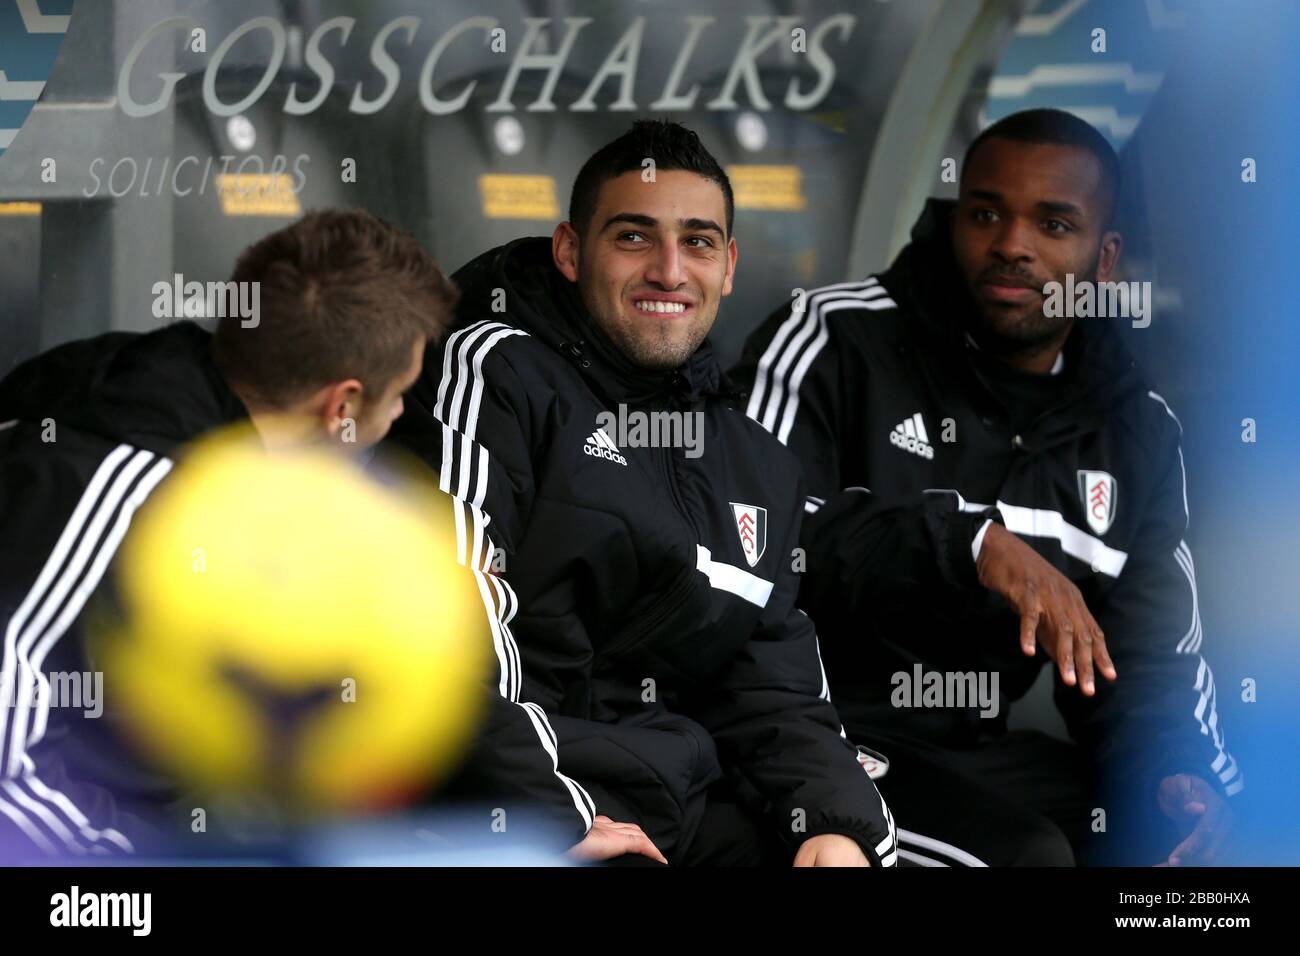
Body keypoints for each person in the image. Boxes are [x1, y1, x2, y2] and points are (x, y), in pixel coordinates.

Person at [0, 209, 635, 863]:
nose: (397, 422)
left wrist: (552, 818)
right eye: (399, 401)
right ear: (342, 408)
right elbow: (9, 765)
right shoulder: (114, 475)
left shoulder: (244, 447)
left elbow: (386, 661)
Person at [734, 108, 1240, 866]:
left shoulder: (1133, 430)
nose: (1011, 246)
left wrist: (1177, 773)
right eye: (985, 214)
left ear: (1104, 262)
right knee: (1030, 857)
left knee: (1189, 848)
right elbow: (744, 541)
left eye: (1054, 224)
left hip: (970, 748)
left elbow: (1146, 663)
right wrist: (964, 543)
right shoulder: (831, 338)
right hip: (809, 735)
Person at [391, 119, 897, 867]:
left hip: (671, 794)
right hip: (506, 802)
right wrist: (552, 814)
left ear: (727, 265)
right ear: (570, 252)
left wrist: (832, 823)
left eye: (696, 242)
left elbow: (770, 683)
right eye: (633, 237)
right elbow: (439, 625)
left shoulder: (750, 457)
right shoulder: (493, 373)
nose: (668, 270)